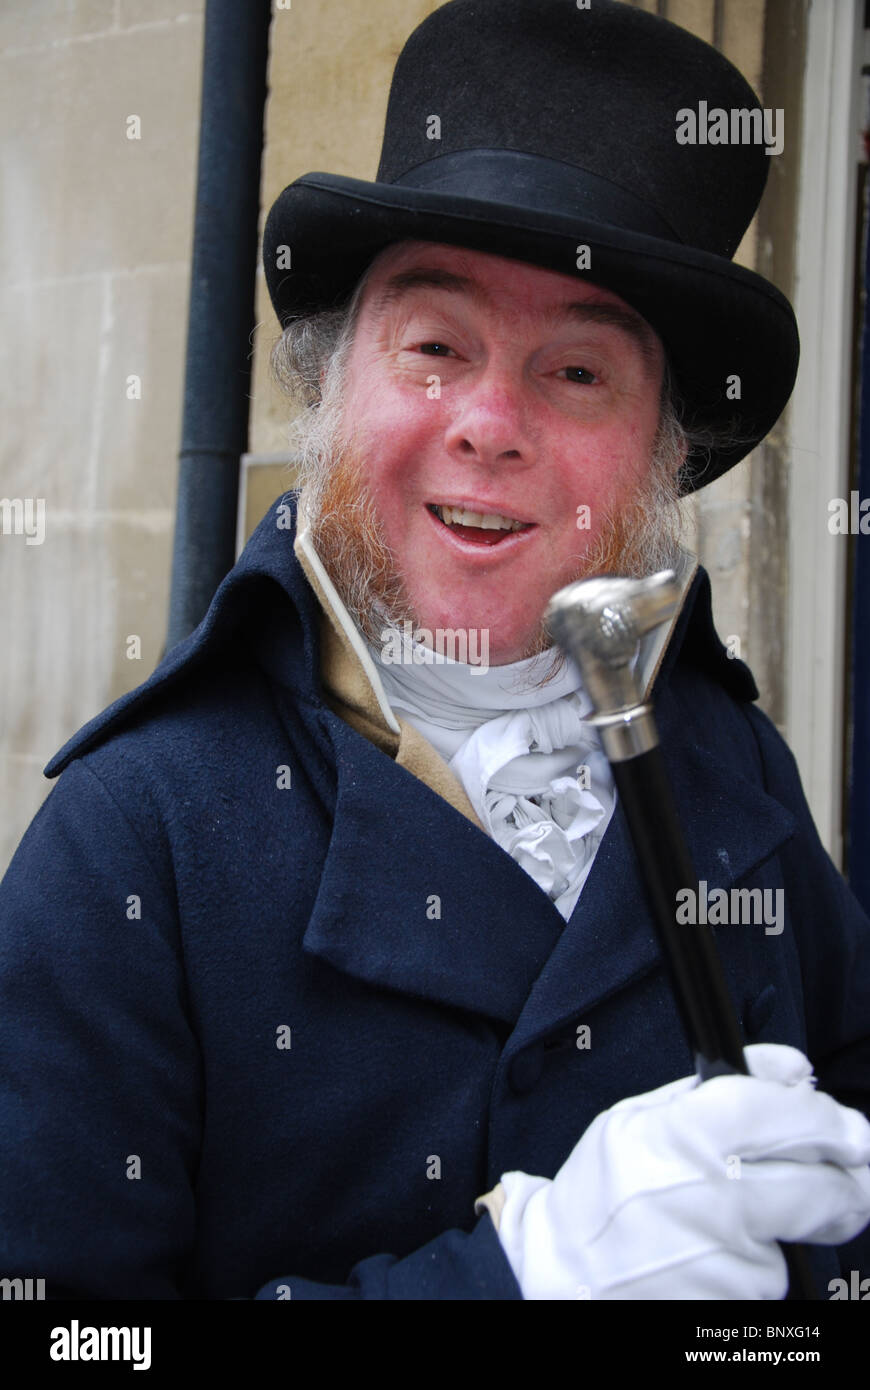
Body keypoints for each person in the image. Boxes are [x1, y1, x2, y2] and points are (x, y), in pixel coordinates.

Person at [1, 0, 869, 1302]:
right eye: (434, 346)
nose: (489, 423)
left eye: (576, 372)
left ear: (660, 457)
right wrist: (522, 1273)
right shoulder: (136, 836)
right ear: (332, 384)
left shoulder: (735, 770)